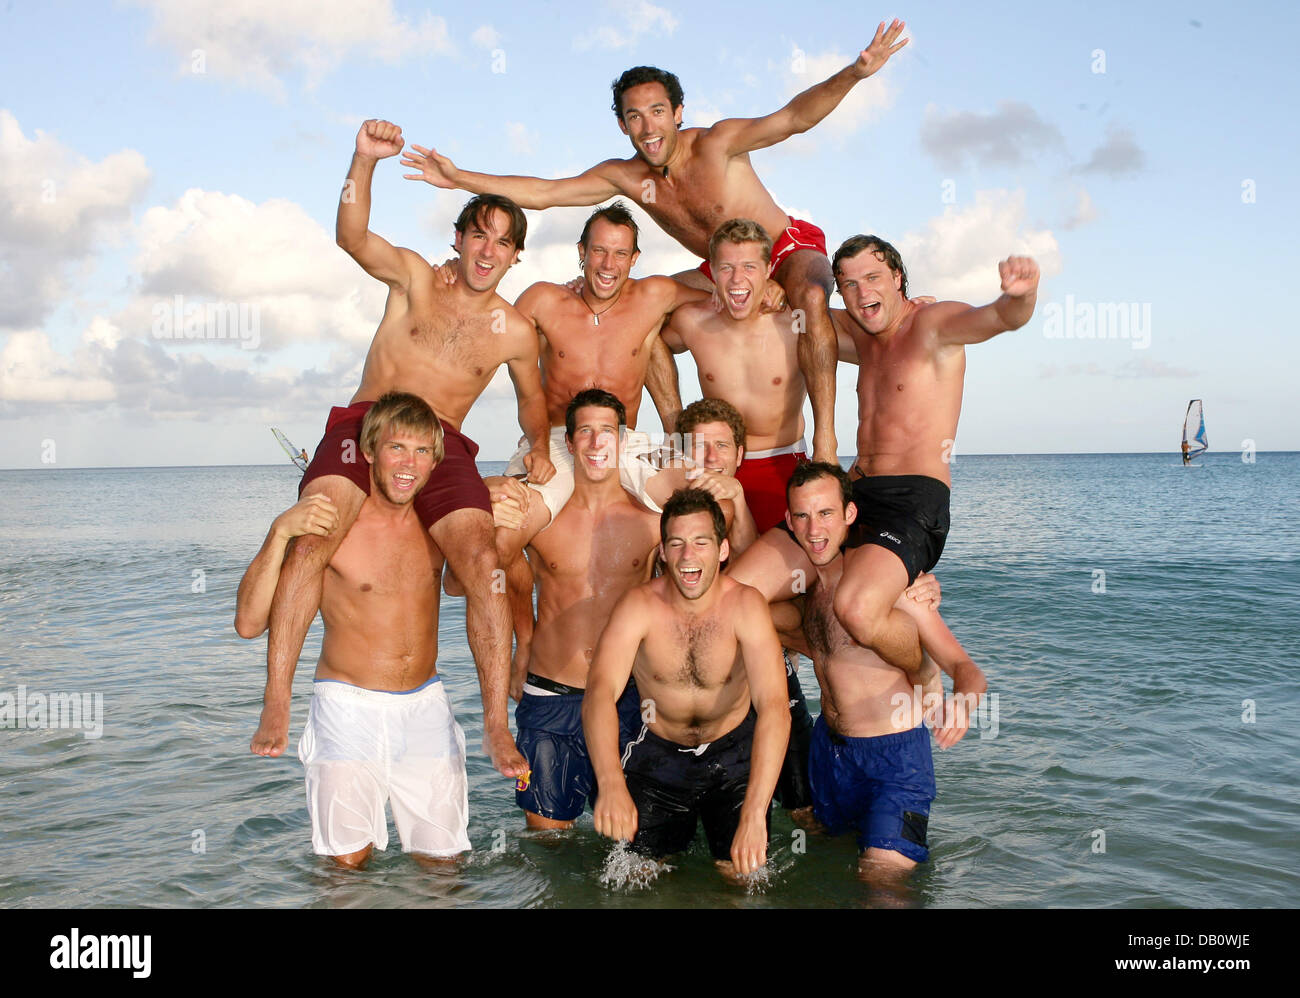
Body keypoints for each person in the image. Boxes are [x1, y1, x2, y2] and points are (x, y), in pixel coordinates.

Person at [401, 20, 912, 466]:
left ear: (678, 112)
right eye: (635, 117)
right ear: (622, 124)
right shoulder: (625, 176)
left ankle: (824, 439)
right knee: (644, 317)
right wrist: (459, 177)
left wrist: (855, 73)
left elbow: (794, 118)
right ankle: (676, 436)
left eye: (657, 111)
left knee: (812, 300)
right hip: (721, 270)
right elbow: (546, 193)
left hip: (782, 249)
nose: (648, 127)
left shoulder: (718, 144)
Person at [251, 119, 547, 782]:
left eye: (503, 243)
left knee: (480, 558)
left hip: (443, 445)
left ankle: (497, 725)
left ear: (514, 258)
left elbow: (534, 403)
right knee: (314, 537)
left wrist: (541, 447)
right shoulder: (415, 277)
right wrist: (364, 161)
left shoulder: (515, 332)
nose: (487, 250)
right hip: (366, 428)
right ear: (460, 239)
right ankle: (277, 697)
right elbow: (350, 237)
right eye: (479, 235)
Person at [731, 237, 1038, 694]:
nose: (860, 293)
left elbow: (998, 318)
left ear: (898, 278)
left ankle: (922, 669)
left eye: (872, 278)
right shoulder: (858, 336)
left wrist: (1020, 295)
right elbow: (798, 314)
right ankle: (827, 647)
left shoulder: (933, 325)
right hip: (854, 492)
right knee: (736, 593)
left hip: (912, 499)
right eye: (848, 285)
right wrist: (776, 287)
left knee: (856, 609)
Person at [275, 392, 470, 868]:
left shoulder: (437, 526)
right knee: (345, 869)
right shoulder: (331, 525)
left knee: (444, 866)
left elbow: (462, 586)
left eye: (423, 451)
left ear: (436, 460)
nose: (409, 464)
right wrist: (275, 703)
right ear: (368, 453)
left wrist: (501, 522)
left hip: (425, 706)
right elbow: (260, 616)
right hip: (346, 709)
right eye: (397, 448)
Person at [782, 462, 987, 879]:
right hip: (829, 751)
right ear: (788, 521)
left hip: (894, 761)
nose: (813, 528)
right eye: (801, 516)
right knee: (830, 864)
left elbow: (966, 668)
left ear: (850, 515)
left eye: (825, 514)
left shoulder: (895, 589)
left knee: (883, 883)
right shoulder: (804, 590)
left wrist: (962, 704)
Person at [583, 490, 790, 879]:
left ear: (723, 549)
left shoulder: (747, 606)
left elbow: (775, 706)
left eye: (700, 542)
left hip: (734, 758)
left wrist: (755, 812)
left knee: (743, 878)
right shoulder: (638, 606)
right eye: (676, 544)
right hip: (660, 756)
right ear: (662, 551)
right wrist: (611, 782)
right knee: (632, 878)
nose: (687, 556)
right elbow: (599, 693)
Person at [508, 389, 660, 829]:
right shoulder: (540, 518)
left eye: (607, 432)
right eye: (586, 432)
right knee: (546, 847)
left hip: (626, 698)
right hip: (550, 693)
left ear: (622, 441)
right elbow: (498, 575)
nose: (597, 443)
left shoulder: (651, 522)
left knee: (634, 843)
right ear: (570, 443)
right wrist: (522, 644)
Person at [660, 220, 809, 532]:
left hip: (781, 463)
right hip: (711, 463)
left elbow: (863, 338)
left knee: (781, 568)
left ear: (769, 269)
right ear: (711, 272)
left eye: (750, 267)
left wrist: (907, 312)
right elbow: (644, 339)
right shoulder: (692, 321)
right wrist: (674, 427)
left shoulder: (794, 322)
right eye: (726, 268)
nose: (737, 278)